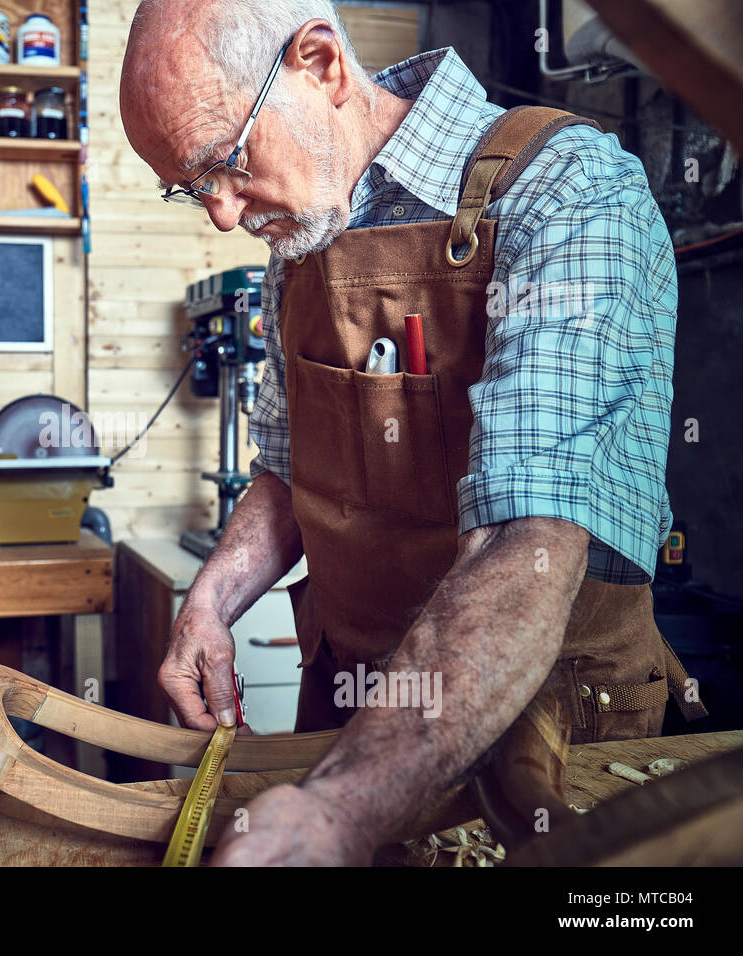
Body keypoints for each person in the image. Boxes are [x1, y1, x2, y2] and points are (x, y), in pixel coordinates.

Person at [120, 0, 705, 865]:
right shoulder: (303, 236)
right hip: (345, 724)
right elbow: (289, 473)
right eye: (190, 186)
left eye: (225, 164)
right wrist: (210, 601)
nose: (219, 213)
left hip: (545, 735)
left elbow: (523, 537)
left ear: (318, 63)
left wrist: (343, 812)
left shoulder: (566, 192)